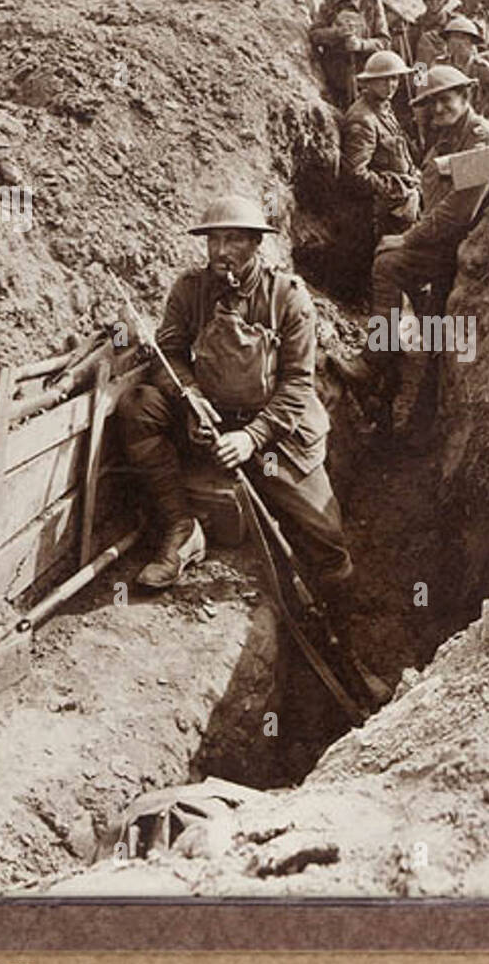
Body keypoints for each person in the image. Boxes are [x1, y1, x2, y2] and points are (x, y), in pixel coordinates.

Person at [117, 194, 389, 707]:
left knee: (327, 544)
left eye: (234, 240)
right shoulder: (190, 290)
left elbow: (295, 386)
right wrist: (190, 398)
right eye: (214, 240)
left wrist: (250, 439)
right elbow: (169, 354)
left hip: (277, 434)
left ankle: (348, 650)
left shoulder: (289, 298)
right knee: (140, 406)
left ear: (257, 244)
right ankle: (180, 529)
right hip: (212, 420)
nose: (222, 251)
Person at [330, 66, 489, 432]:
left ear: (465, 97)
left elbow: (459, 211)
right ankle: (398, 397)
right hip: (450, 240)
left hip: (469, 245)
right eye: (431, 103)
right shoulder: (448, 136)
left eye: (445, 100)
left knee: (390, 265)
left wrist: (409, 238)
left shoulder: (479, 138)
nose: (438, 109)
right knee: (430, 322)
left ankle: (380, 358)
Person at [341, 51, 421, 243]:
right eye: (383, 80)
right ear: (369, 82)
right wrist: (396, 189)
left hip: (404, 203)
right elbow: (355, 174)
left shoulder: (384, 107)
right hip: (386, 212)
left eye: (394, 78)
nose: (391, 85)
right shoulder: (363, 119)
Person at [309, 0, 390, 109]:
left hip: (365, 71)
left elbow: (385, 41)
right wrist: (336, 33)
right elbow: (315, 34)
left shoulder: (371, 2)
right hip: (335, 71)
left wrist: (361, 45)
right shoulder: (330, 1)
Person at [436, 16, 489, 128]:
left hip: (471, 126)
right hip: (444, 125)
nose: (459, 43)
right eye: (454, 37)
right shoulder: (439, 64)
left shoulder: (481, 68)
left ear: (472, 43)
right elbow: (424, 89)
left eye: (464, 38)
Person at [409, 0, 454, 66]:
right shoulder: (418, 24)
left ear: (446, 1)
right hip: (424, 68)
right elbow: (412, 54)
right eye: (430, 0)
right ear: (424, 1)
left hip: (450, 68)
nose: (434, 3)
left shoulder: (454, 22)